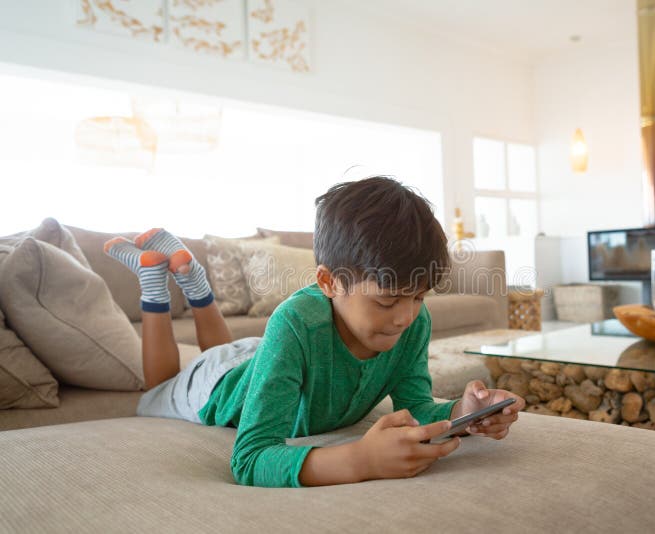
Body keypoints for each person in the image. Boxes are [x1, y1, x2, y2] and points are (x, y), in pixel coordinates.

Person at [104, 176, 524, 488]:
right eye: (387, 301)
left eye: (419, 297)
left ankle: (195, 284)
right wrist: (359, 460)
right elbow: (250, 458)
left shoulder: (413, 321)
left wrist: (461, 413)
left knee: (230, 350)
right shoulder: (295, 323)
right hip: (218, 382)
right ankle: (156, 282)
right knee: (157, 389)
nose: (405, 317)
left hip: (263, 357)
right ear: (328, 282)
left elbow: (416, 406)